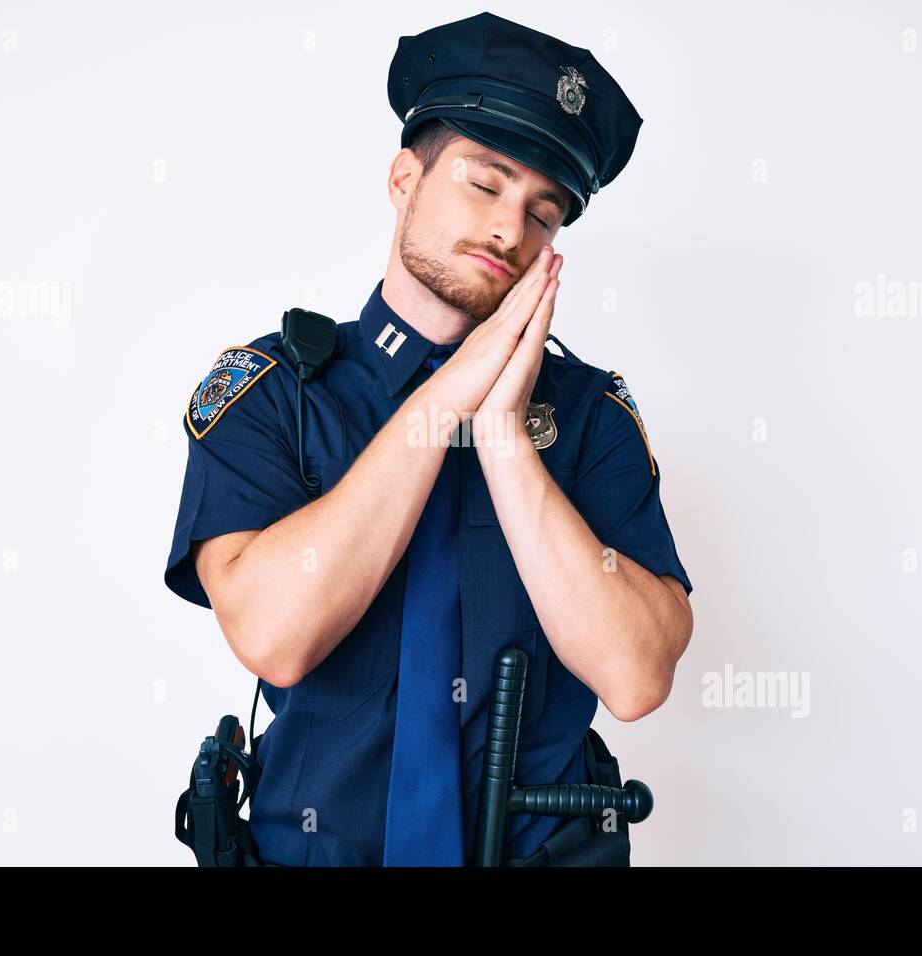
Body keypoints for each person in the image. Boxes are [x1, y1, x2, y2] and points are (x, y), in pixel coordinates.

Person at [164, 11, 694, 866]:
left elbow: (636, 678)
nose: (509, 232)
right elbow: (274, 635)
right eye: (485, 186)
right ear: (405, 178)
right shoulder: (275, 392)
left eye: (542, 213)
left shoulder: (590, 415)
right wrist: (443, 399)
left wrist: (506, 442)